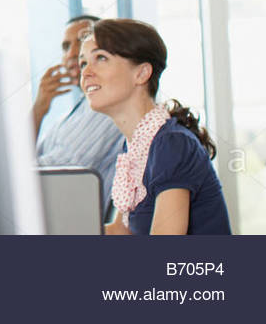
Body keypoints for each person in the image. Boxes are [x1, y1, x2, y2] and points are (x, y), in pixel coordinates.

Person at [78, 18, 231, 235]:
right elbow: (122, 231)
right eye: (83, 63)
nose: (85, 73)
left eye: (101, 58)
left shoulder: (172, 143)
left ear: (141, 73)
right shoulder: (136, 145)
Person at [33, 14, 125, 199]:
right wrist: (39, 108)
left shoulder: (107, 106)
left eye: (82, 42)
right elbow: (27, 156)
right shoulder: (75, 112)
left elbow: (54, 170)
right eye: (66, 47)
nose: (71, 54)